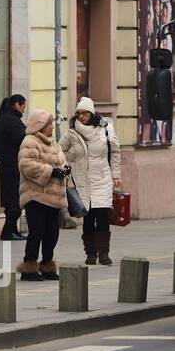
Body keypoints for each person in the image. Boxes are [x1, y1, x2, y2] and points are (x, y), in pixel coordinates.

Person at [61, 97, 122, 266]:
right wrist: (70, 161)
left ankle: (104, 253)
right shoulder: (72, 132)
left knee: (102, 215)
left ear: (92, 113)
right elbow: (60, 151)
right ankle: (90, 254)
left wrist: (116, 175)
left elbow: (115, 152)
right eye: (79, 113)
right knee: (87, 217)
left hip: (102, 178)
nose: (81, 116)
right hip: (81, 180)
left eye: (85, 113)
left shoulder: (105, 128)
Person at [17, 109, 69, 282]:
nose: (52, 126)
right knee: (36, 232)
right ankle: (29, 267)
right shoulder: (30, 141)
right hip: (36, 196)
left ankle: (47, 265)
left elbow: (61, 159)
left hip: (53, 197)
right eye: (49, 123)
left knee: (51, 233)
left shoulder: (53, 142)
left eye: (52, 123)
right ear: (40, 125)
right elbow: (27, 165)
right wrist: (52, 171)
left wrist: (65, 168)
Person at [0, 95, 28, 241]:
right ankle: (8, 230)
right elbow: (22, 139)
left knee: (13, 199)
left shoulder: (4, 118)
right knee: (15, 199)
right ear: (17, 104)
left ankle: (12, 230)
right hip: (12, 165)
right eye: (23, 106)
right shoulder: (10, 121)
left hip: (8, 164)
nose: (24, 110)